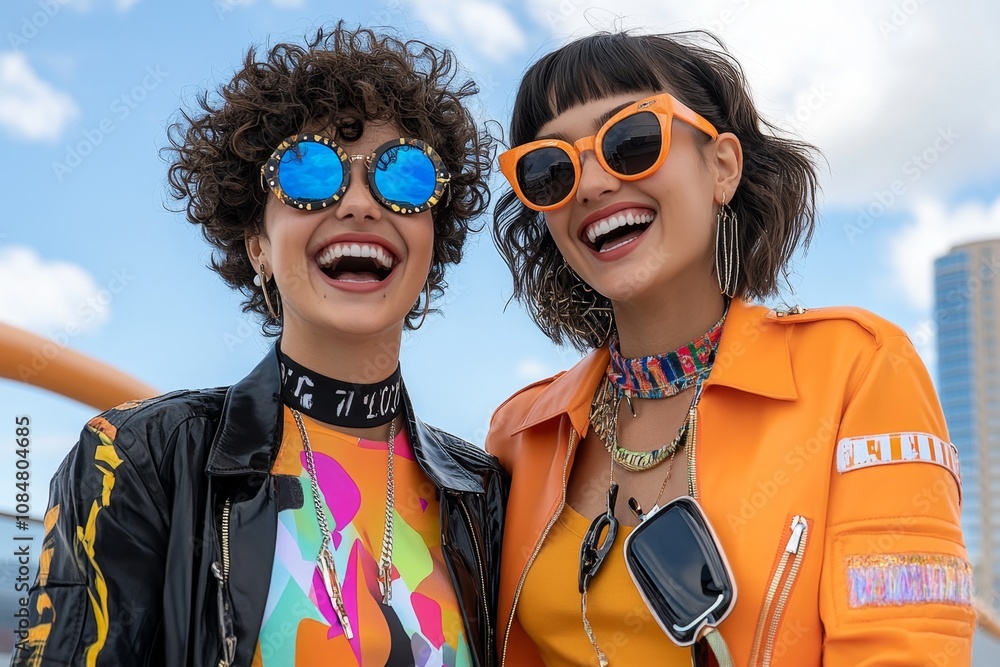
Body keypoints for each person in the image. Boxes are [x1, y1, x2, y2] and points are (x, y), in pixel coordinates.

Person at [14, 23, 507, 667]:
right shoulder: (135, 460)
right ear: (257, 247)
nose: (360, 204)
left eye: (405, 178)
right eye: (311, 172)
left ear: (431, 243)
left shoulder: (482, 493)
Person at [487, 30, 975, 667]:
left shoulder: (857, 371)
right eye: (550, 170)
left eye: (631, 141)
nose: (593, 185)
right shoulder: (521, 435)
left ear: (722, 167)